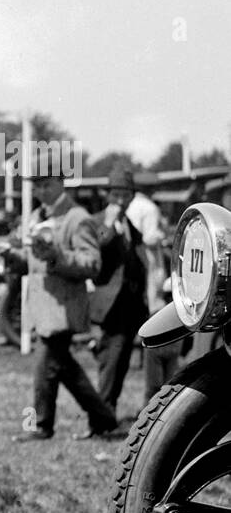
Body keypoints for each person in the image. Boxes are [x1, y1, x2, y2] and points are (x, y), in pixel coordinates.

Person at [12, 146, 122, 442]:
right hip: (42, 307)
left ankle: (41, 425)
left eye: (46, 184)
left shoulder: (77, 218)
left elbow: (92, 264)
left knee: (45, 365)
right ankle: (104, 419)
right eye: (36, 186)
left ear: (61, 182)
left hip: (63, 308)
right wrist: (12, 257)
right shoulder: (35, 217)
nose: (41, 191)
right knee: (64, 368)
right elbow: (31, 261)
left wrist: (57, 257)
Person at [89, 169, 149, 417]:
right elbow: (98, 247)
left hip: (131, 305)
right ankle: (101, 415)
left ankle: (108, 410)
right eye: (115, 195)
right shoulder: (97, 222)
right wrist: (108, 224)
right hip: (110, 305)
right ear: (107, 195)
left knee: (122, 360)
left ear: (133, 196)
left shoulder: (131, 227)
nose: (120, 201)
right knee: (110, 360)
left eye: (126, 195)